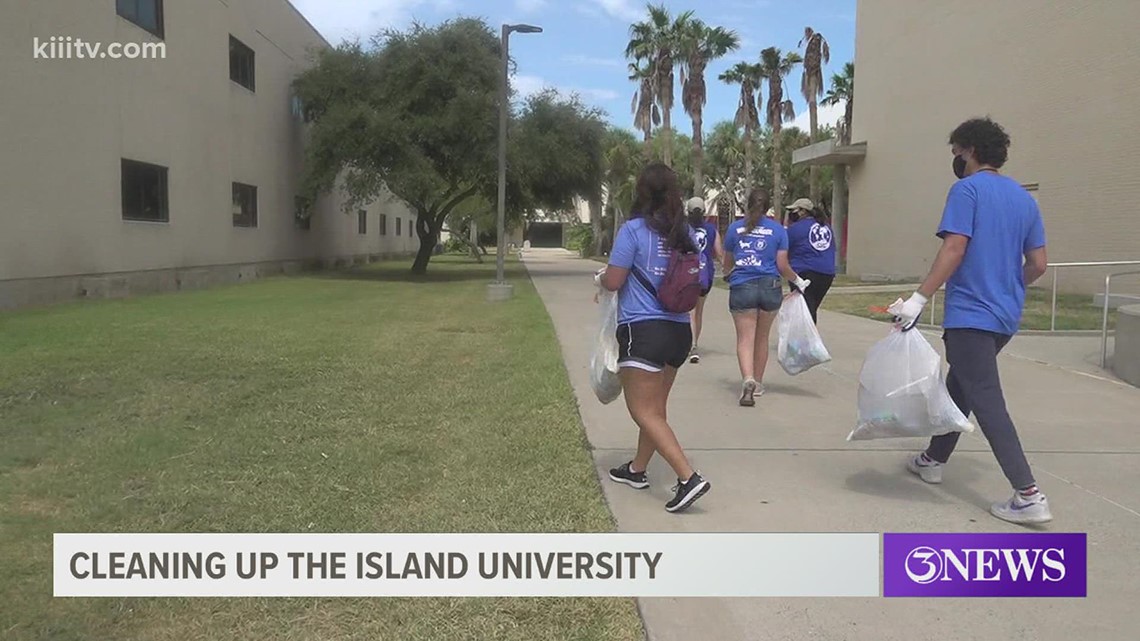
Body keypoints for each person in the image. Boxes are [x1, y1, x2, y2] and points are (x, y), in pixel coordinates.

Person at [887, 117, 1052, 525]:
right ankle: (932, 459)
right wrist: (1009, 284)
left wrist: (919, 298)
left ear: (971, 151)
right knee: (960, 386)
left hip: (970, 315)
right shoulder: (1023, 199)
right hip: (1004, 316)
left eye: (956, 153)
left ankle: (1028, 494)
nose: (955, 161)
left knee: (985, 397)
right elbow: (1038, 264)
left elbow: (955, 248)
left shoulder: (966, 190)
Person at [595, 163, 711, 513]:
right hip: (679, 330)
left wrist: (599, 279)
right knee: (656, 410)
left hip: (642, 329)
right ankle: (637, 469)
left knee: (642, 411)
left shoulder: (633, 231)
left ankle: (688, 478)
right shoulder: (684, 233)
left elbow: (614, 280)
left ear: (641, 192)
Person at [723, 188, 811, 406]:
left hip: (742, 285)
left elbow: (727, 261)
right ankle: (759, 383)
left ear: (747, 204)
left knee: (745, 339)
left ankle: (748, 378)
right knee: (762, 338)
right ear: (767, 206)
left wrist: (728, 274)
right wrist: (798, 281)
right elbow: (782, 265)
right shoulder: (778, 231)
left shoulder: (734, 229)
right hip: (770, 286)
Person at [785, 197, 837, 324]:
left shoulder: (796, 229)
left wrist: (786, 224)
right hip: (826, 273)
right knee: (810, 307)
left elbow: (784, 248)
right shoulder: (826, 227)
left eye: (794, 211)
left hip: (804, 272)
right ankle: (806, 338)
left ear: (802, 211)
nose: (792, 214)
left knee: (805, 309)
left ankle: (806, 340)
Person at [686, 197, 723, 364]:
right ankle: (694, 343)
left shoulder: (682, 229)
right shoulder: (711, 229)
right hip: (705, 273)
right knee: (698, 311)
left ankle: (690, 345)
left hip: (686, 273)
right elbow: (720, 253)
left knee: (689, 312)